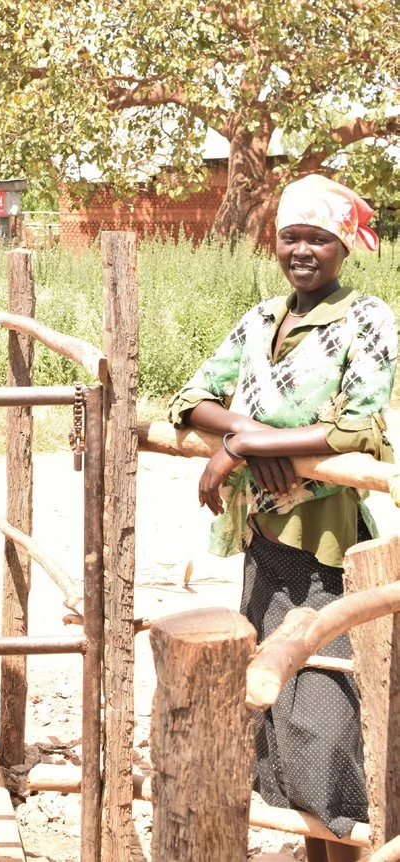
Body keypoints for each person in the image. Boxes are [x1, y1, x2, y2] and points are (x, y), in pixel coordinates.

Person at [168, 174, 395, 862]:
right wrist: (255, 440)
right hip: (264, 539)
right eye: (291, 236)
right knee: (271, 715)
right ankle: (309, 851)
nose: (303, 250)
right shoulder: (263, 319)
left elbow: (358, 432)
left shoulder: (369, 319)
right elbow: (191, 397)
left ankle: (343, 851)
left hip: (326, 543)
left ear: (342, 248)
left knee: (325, 723)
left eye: (318, 238)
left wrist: (241, 444)